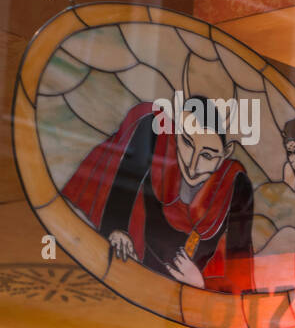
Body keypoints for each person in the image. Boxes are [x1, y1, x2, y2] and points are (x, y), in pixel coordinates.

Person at [61, 96, 255, 293]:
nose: (193, 165)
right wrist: (117, 230)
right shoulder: (155, 138)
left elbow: (240, 271)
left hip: (184, 306)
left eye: (208, 155)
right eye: (187, 142)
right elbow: (122, 189)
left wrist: (202, 284)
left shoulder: (236, 186)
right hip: (130, 279)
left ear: (226, 152)